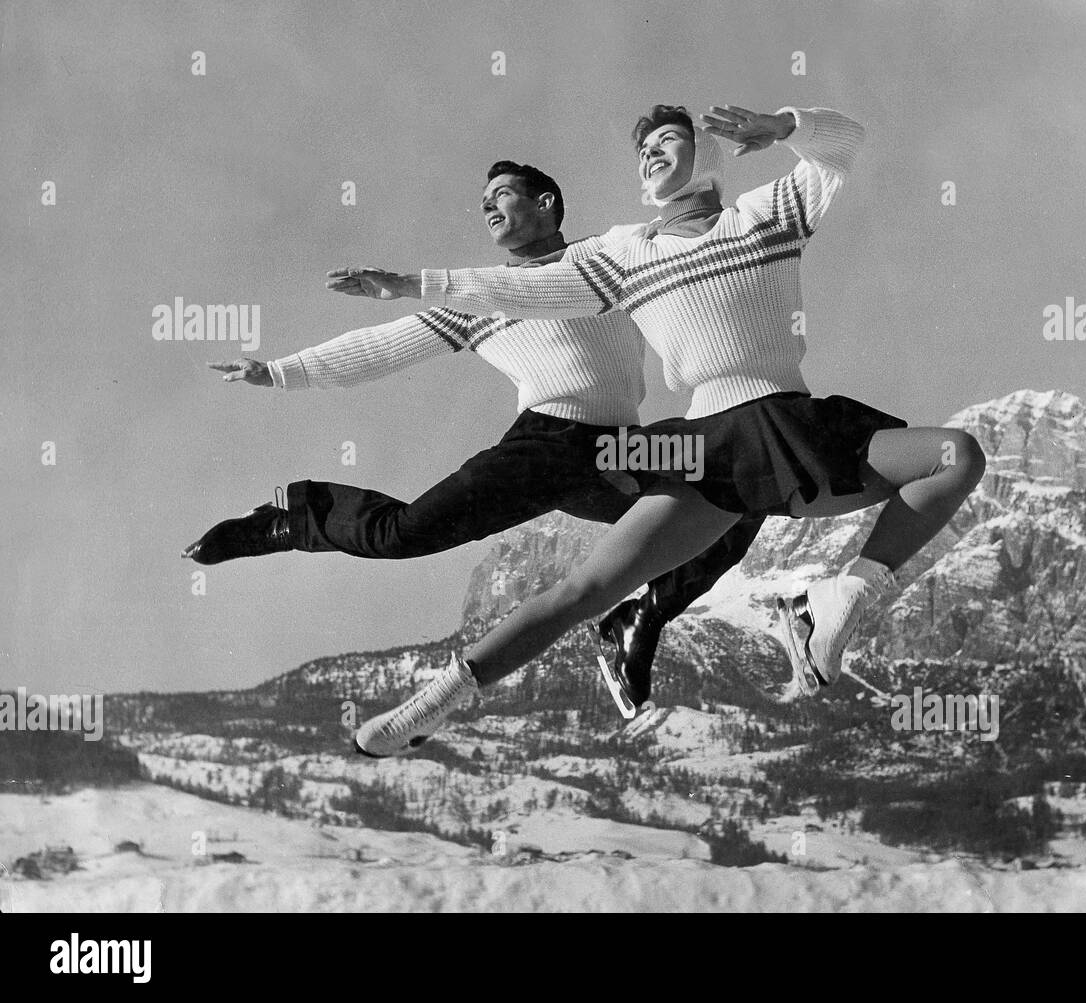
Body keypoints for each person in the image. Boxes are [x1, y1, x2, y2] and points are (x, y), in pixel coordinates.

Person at [341, 103, 985, 758]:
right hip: (705, 449)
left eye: (667, 140)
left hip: (792, 421)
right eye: (642, 148)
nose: (650, 152)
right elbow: (517, 290)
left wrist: (786, 125)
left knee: (956, 454)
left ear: (707, 158)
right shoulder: (624, 254)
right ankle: (433, 703)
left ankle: (840, 599)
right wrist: (414, 285)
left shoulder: (766, 215)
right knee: (585, 591)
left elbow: (847, 139)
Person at [182, 159, 764, 719]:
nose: (488, 205)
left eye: (502, 195)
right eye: (483, 202)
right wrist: (279, 371)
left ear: (546, 204)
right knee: (404, 534)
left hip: (619, 450)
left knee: (742, 491)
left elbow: (686, 221)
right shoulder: (477, 299)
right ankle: (298, 516)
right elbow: (384, 347)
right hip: (545, 448)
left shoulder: (607, 256)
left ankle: (639, 619)